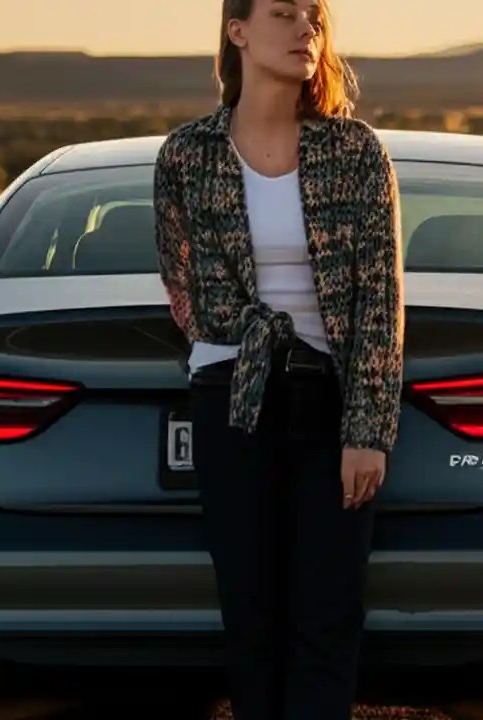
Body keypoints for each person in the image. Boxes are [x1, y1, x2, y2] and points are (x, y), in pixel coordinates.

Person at [152, 1, 405, 717]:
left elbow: (379, 304)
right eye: (284, 13)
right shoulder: (186, 156)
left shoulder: (355, 153)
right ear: (238, 31)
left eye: (315, 19)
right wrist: (258, 334)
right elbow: (184, 288)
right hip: (229, 398)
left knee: (327, 619)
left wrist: (367, 431)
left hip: (328, 401)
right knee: (251, 618)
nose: (304, 31)